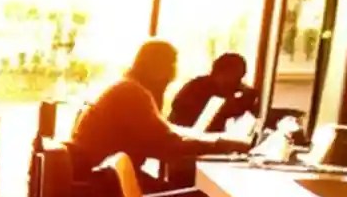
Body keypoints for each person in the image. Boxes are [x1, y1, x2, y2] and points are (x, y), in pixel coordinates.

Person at [68, 40, 250, 178]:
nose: (173, 72)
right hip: (104, 183)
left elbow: (165, 131)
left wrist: (214, 139)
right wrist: (223, 145)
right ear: (155, 66)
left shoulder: (130, 88)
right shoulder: (131, 93)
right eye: (171, 64)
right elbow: (169, 144)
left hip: (106, 176)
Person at [166, 53, 258, 131]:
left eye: (241, 77)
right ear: (221, 72)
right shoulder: (196, 87)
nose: (238, 82)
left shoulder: (232, 91)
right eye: (236, 76)